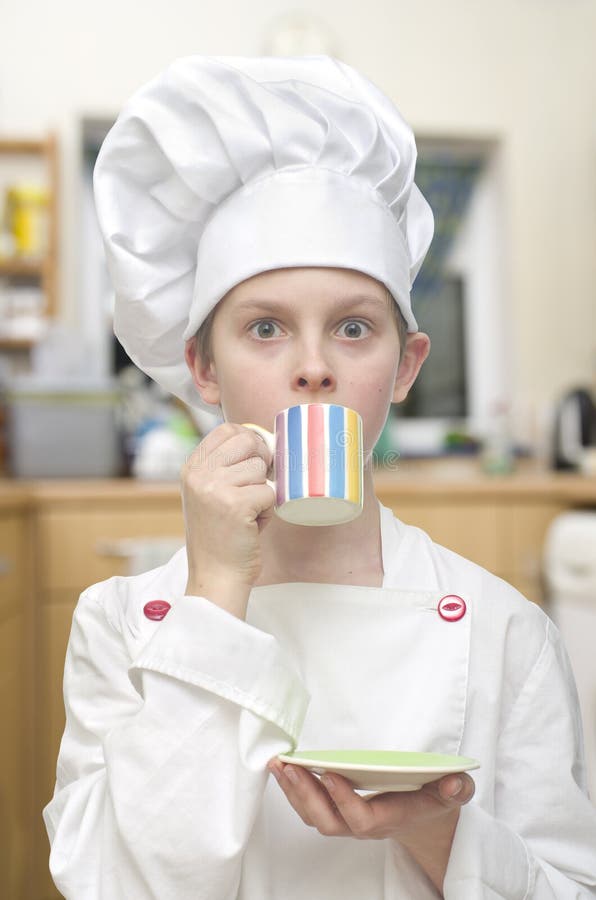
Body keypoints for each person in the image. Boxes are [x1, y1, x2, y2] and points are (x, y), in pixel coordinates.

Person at [43, 55, 596, 899]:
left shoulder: (505, 633)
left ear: (405, 366)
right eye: (265, 328)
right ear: (204, 369)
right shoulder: (121, 623)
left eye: (352, 327)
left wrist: (438, 827)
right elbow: (114, 884)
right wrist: (218, 585)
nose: (312, 367)